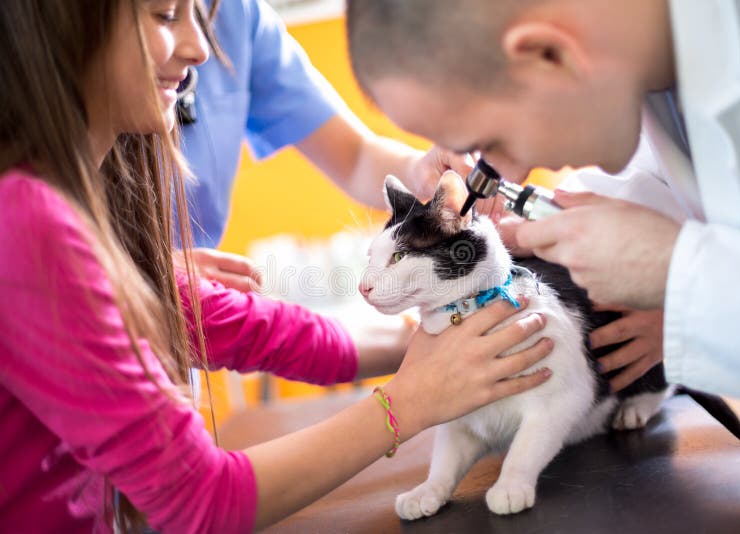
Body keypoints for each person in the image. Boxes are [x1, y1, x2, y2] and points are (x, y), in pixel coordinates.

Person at [0, 1, 555, 531]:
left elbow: (233, 323)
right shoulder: (31, 225)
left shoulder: (73, 207)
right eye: (166, 14)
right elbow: (201, 499)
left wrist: (423, 342)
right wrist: (411, 400)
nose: (199, 50)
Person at [344, 0, 740, 406]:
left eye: (491, 142)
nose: (512, 175)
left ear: (549, 54)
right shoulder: (641, 81)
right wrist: (533, 233)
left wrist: (674, 275)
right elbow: (658, 188)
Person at [181, 0, 474, 292]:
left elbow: (355, 157)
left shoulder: (238, 16)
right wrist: (156, 271)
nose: (199, 50)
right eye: (163, 15)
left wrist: (420, 171)